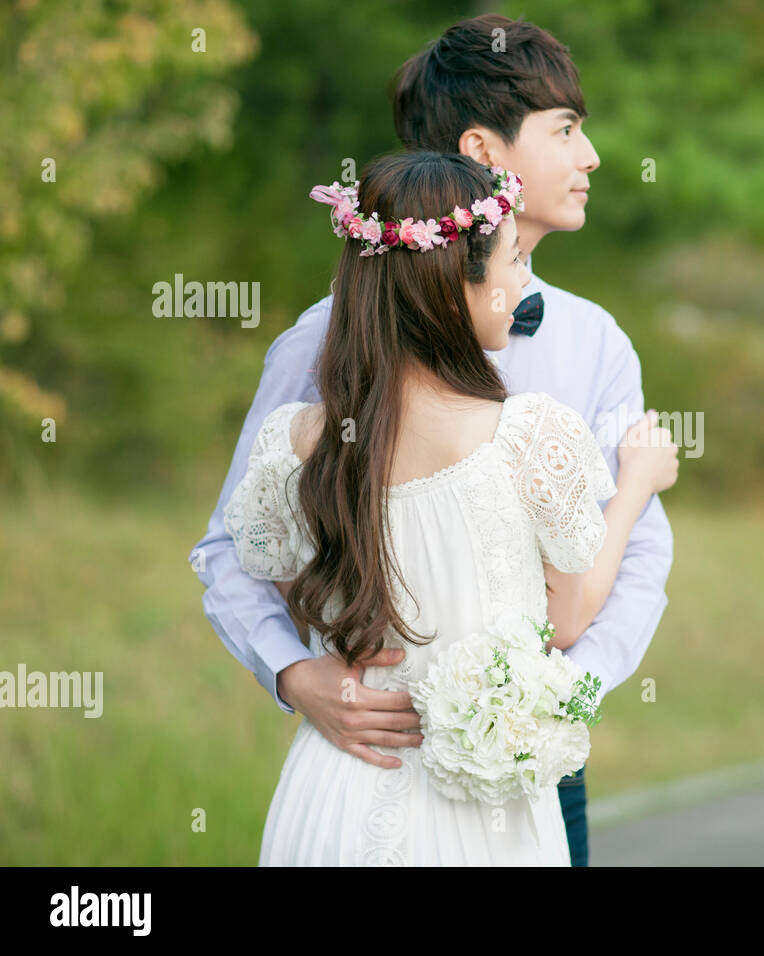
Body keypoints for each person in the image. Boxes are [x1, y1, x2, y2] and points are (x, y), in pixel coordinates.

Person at [191, 16, 677, 866]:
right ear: (485, 152)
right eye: (566, 129)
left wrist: (560, 696)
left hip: (538, 761)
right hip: (368, 749)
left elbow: (636, 553)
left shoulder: (595, 342)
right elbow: (234, 545)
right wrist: (294, 675)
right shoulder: (321, 343)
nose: (591, 155)